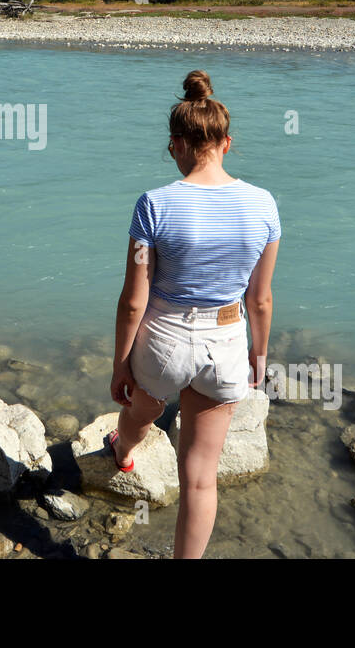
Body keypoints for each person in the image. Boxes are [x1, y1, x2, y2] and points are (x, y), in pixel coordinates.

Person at [108, 68, 280, 559]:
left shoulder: (154, 205)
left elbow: (133, 300)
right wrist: (259, 355)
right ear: (227, 143)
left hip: (163, 339)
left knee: (142, 407)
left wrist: (121, 362)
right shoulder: (263, 205)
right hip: (226, 341)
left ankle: (124, 449)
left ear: (174, 145)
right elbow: (260, 298)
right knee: (200, 481)